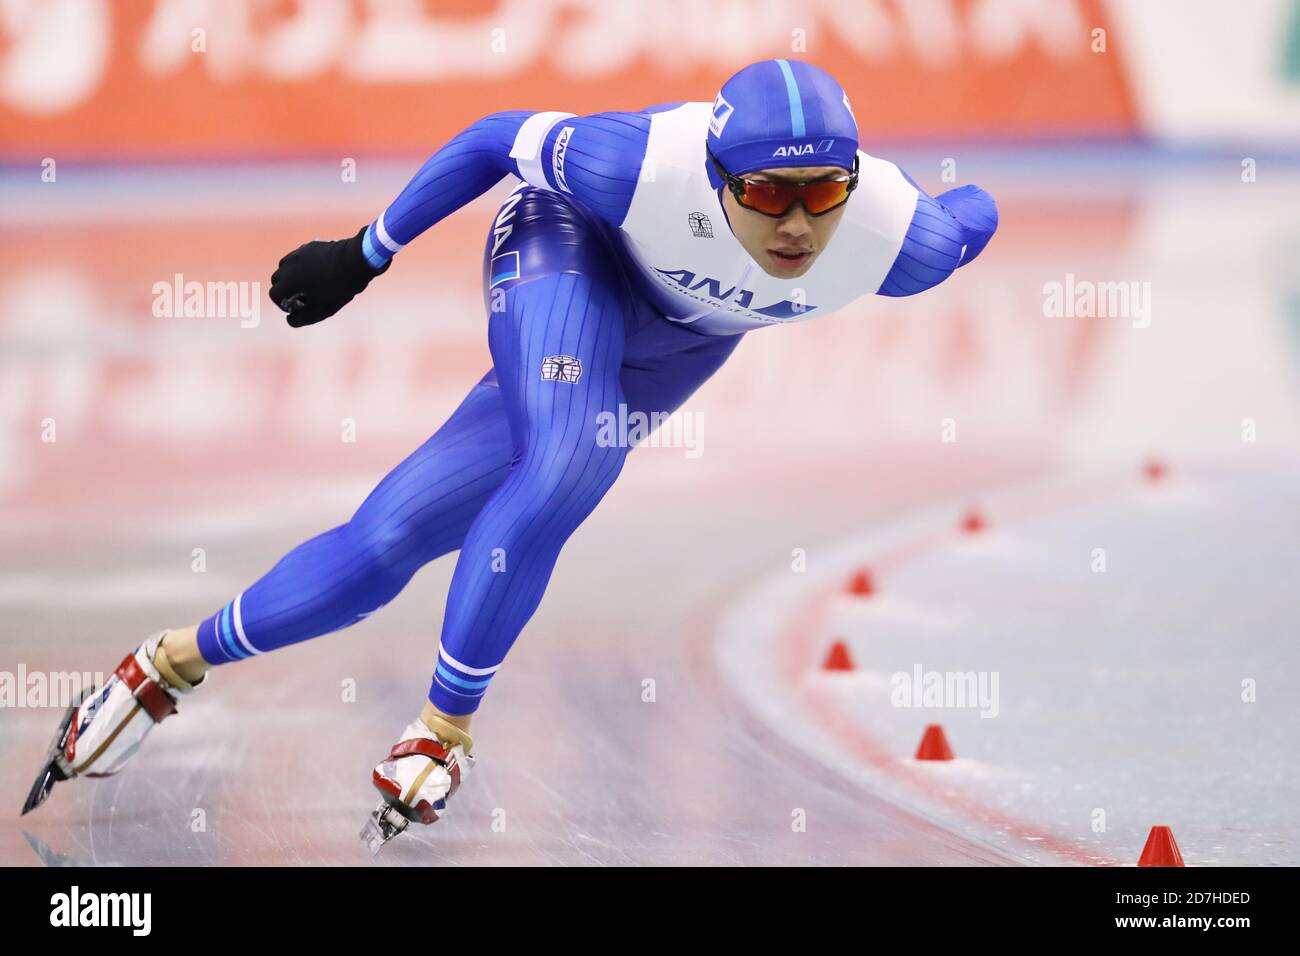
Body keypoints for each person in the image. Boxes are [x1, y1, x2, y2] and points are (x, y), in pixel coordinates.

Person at [24, 59, 997, 850]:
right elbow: (497, 135)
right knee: (569, 461)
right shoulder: (635, 164)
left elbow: (971, 216)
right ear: (712, 178)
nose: (795, 223)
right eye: (765, 193)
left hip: (673, 349)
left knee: (384, 545)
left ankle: (162, 665)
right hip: (565, 249)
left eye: (821, 191)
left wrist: (959, 205)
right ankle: (443, 728)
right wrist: (365, 251)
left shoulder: (898, 242)